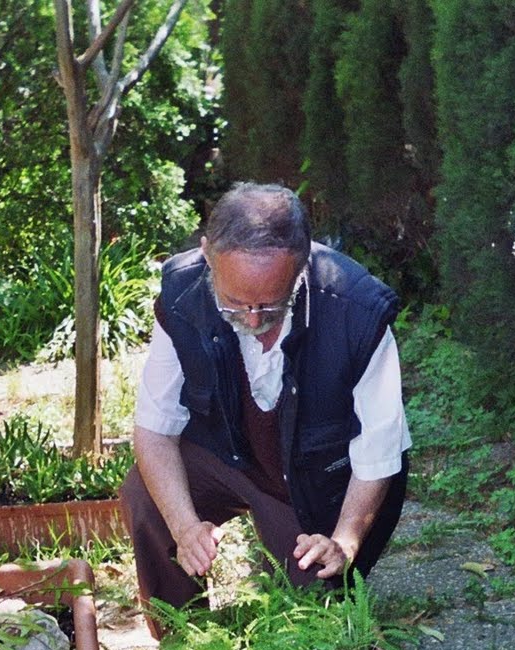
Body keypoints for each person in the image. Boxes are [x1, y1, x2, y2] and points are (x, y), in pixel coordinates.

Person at [122, 182, 410, 619]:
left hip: (317, 484)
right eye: (235, 303)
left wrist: (345, 540)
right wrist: (184, 528)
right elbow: (155, 430)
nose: (253, 320)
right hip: (228, 458)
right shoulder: (181, 297)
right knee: (145, 493)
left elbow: (379, 450)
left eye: (271, 305)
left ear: (302, 264)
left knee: (311, 620)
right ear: (206, 255)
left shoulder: (358, 312)